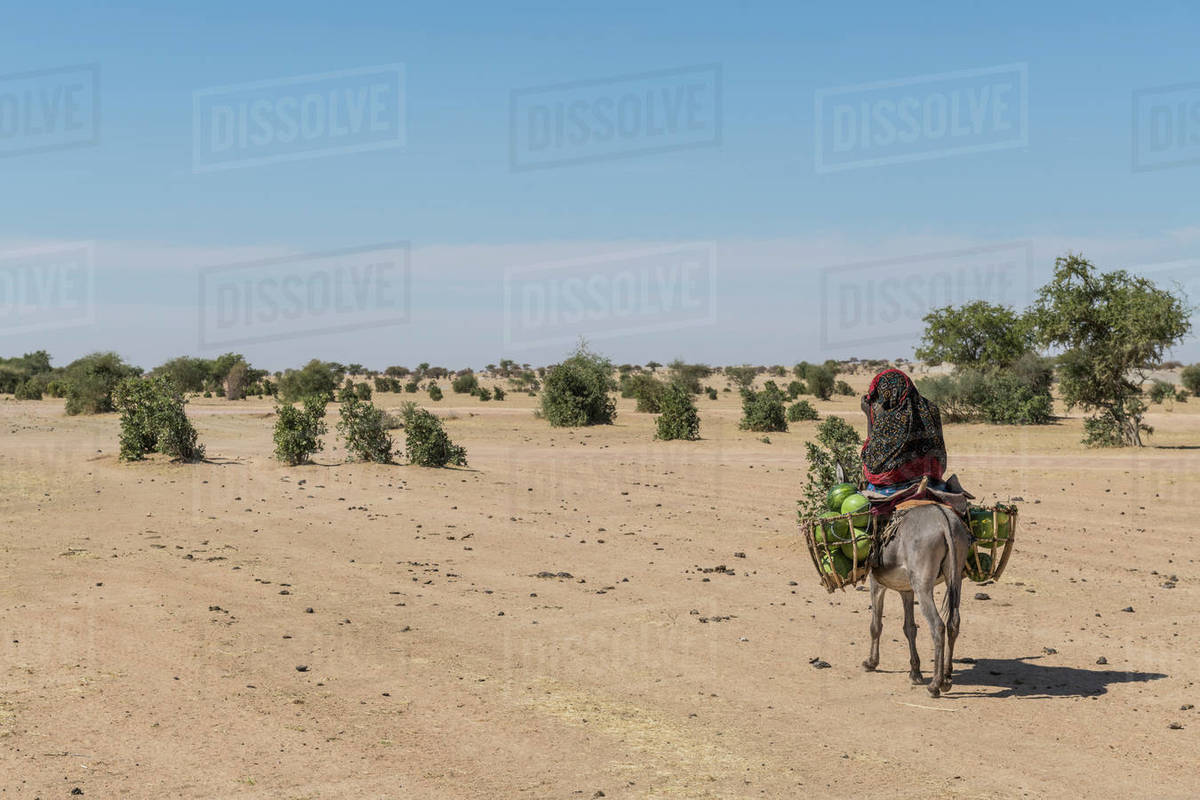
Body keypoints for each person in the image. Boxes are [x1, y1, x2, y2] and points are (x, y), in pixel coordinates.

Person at [860, 368, 946, 493]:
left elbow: (872, 460)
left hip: (894, 485)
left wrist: (868, 414)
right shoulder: (930, 409)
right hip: (931, 481)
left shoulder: (889, 417)